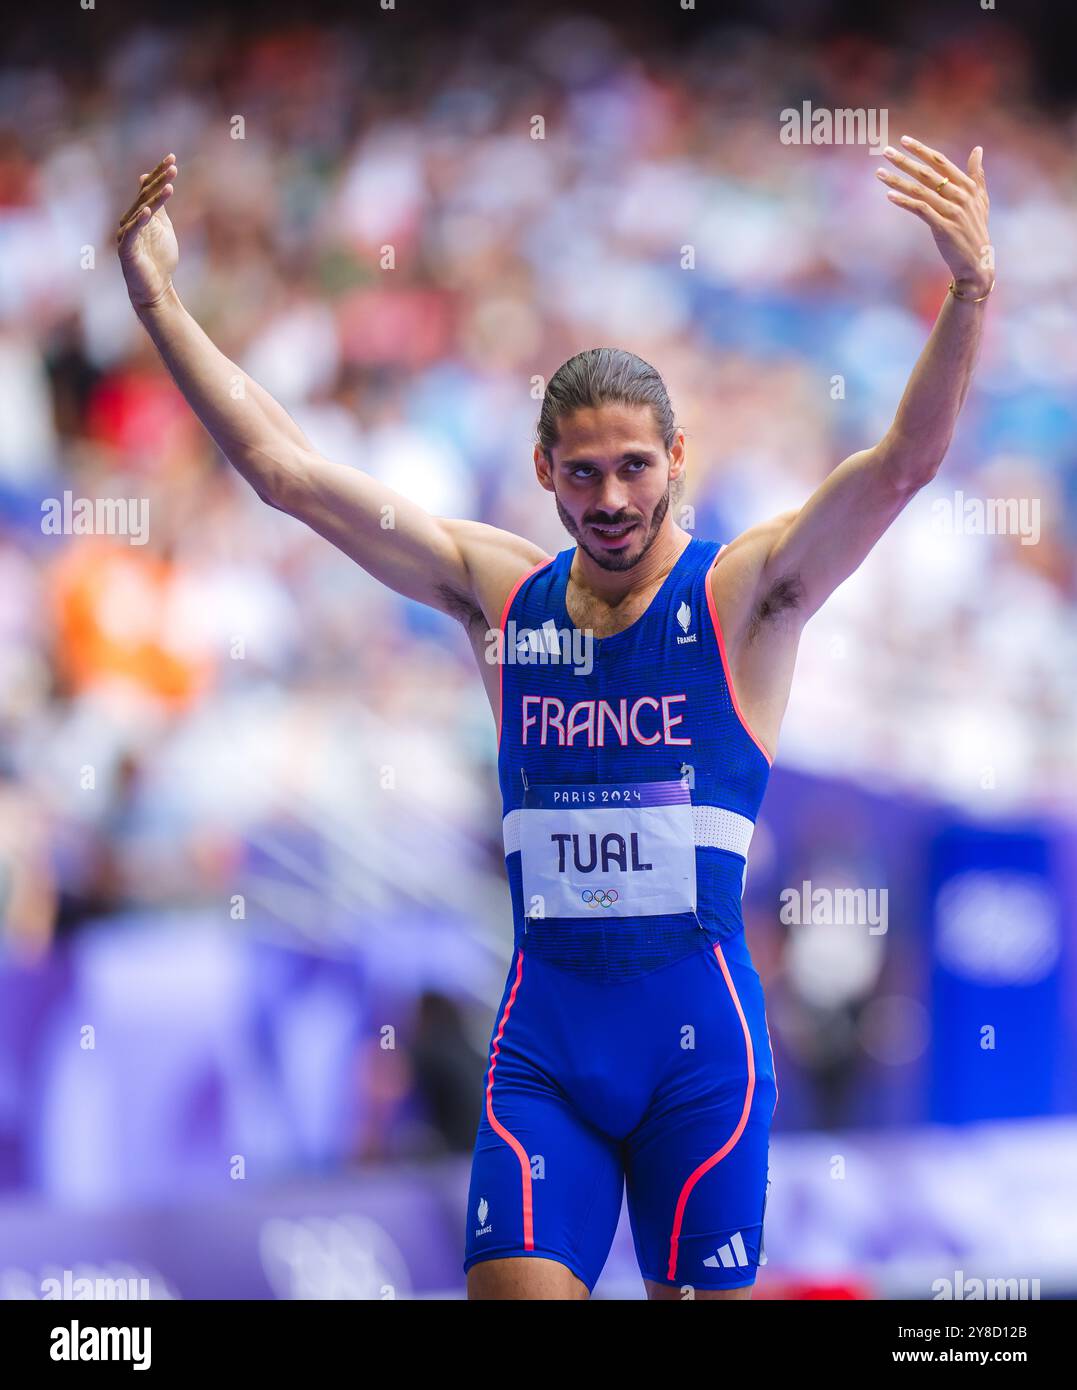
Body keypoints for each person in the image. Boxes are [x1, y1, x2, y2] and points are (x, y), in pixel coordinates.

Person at [116, 136, 992, 1299]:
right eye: (584, 475)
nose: (614, 499)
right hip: (545, 1058)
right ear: (543, 470)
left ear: (678, 457)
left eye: (636, 467)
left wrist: (972, 291)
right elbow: (286, 471)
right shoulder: (501, 596)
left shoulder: (746, 597)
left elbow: (899, 468)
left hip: (704, 1068)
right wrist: (158, 298)